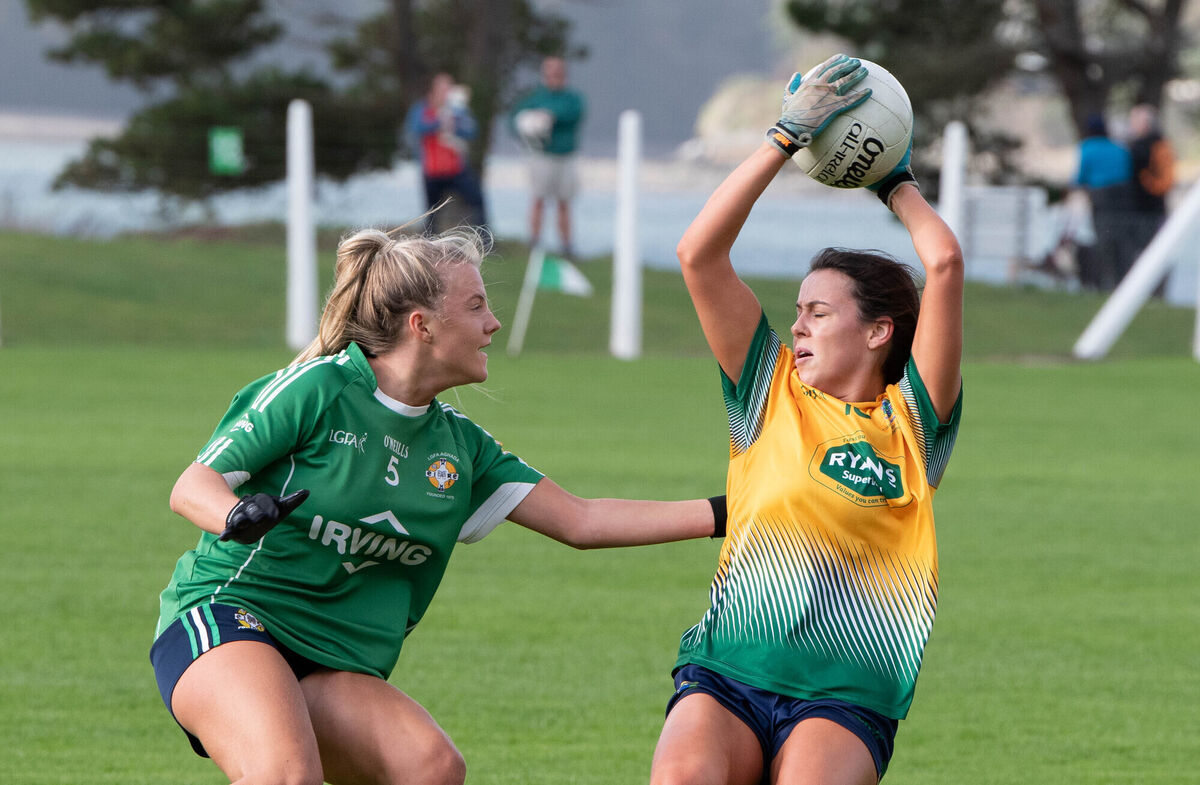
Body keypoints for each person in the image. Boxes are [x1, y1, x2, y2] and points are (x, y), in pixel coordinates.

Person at [149, 226, 724, 785]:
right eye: (476, 306)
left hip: (332, 660)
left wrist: (735, 511)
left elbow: (582, 520)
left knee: (428, 767)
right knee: (284, 774)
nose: (493, 323)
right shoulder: (319, 388)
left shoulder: (461, 447)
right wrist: (233, 514)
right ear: (421, 326)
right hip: (231, 616)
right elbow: (192, 485)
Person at [649, 55, 964, 785]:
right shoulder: (769, 388)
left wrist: (895, 180)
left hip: (847, 693)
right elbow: (699, 255)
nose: (798, 328)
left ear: (879, 331)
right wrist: (783, 139)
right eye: (797, 313)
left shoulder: (915, 422)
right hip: (727, 669)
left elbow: (943, 261)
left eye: (818, 313)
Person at [509, 56, 586, 257]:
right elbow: (515, 118)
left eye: (558, 72)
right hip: (541, 156)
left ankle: (566, 246)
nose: (554, 76)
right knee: (538, 200)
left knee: (564, 202)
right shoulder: (535, 97)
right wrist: (527, 125)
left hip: (565, 156)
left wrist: (548, 116)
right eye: (550, 72)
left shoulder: (572, 98)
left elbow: (574, 114)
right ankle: (534, 243)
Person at [405, 73, 488, 230]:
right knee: (431, 213)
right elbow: (416, 129)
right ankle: (427, 247)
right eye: (443, 89)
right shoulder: (422, 109)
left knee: (477, 201)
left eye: (449, 88)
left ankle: (485, 240)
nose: (446, 92)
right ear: (433, 91)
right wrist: (439, 122)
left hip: (456, 168)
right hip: (432, 170)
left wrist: (455, 124)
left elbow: (472, 131)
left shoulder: (458, 110)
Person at [1072, 113, 1133, 290]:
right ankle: (1121, 280)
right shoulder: (1119, 148)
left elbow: (1080, 176)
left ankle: (1102, 281)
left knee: (1102, 238)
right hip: (1123, 198)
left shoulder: (1087, 147)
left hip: (1100, 197)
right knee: (1121, 240)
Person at [1127, 103, 1175, 294]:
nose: (1131, 125)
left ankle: (1155, 293)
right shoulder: (1135, 146)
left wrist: (1147, 181)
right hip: (1138, 210)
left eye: (1135, 121)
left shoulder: (1159, 146)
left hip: (1151, 210)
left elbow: (1165, 181)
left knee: (1154, 253)